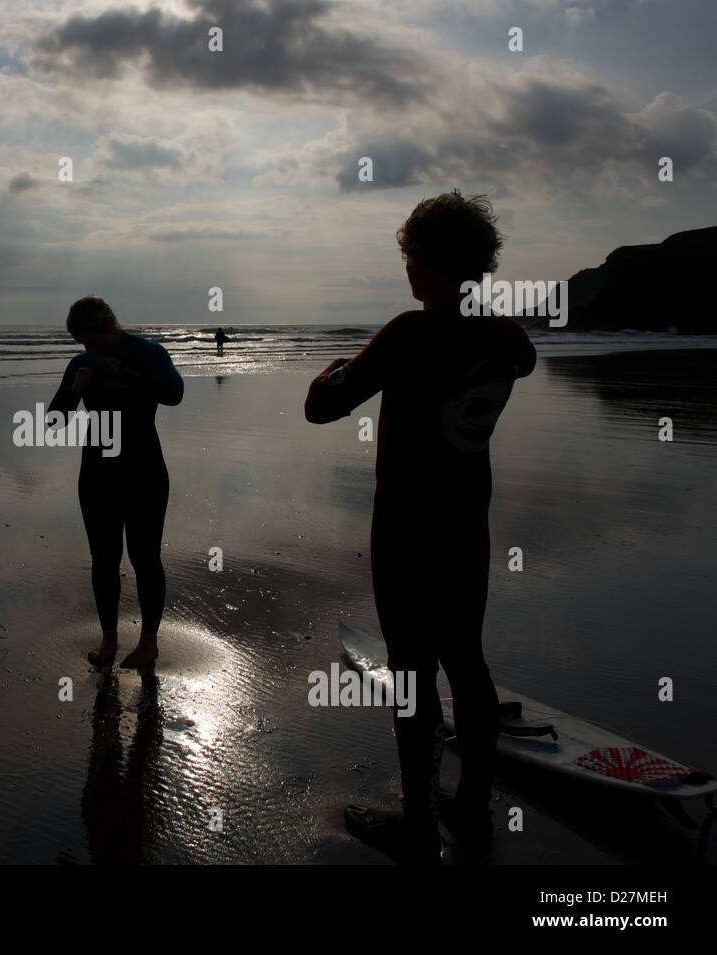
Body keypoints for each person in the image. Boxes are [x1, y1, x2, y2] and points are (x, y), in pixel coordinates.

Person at [304, 191, 536, 863]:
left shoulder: (410, 331)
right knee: (467, 661)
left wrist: (330, 367)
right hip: (468, 521)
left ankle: (415, 822)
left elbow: (324, 405)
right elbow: (517, 361)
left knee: (411, 669)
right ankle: (468, 800)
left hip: (407, 526)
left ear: (428, 263)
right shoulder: (506, 339)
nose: (406, 270)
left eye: (410, 257)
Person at [49, 296, 183, 669]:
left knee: (145, 557)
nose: (86, 349)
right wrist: (76, 388)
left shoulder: (149, 354)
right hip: (97, 473)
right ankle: (109, 638)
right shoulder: (81, 363)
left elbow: (175, 394)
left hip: (144, 470)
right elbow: (55, 421)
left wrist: (125, 372)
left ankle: (149, 642)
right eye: (80, 343)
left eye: (89, 341)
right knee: (103, 559)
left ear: (107, 329)